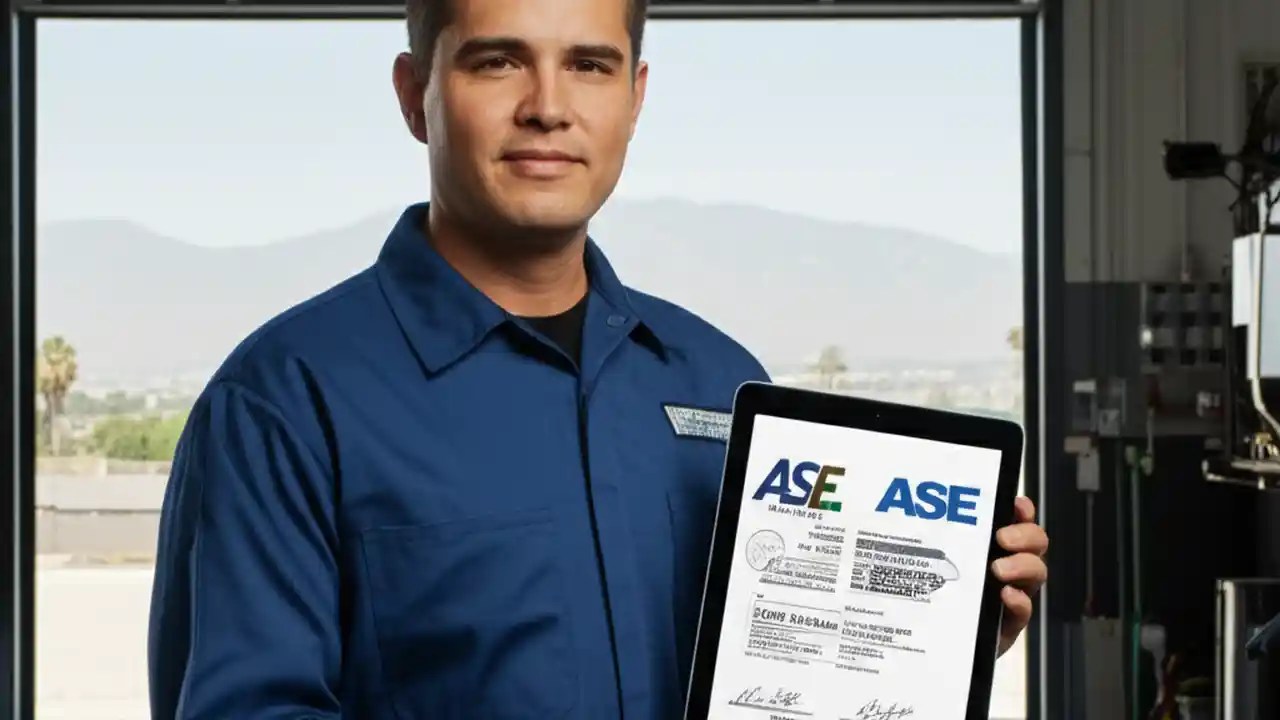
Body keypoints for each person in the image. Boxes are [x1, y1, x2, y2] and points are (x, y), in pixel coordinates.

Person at [146, 0, 1050, 716]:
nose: (548, 105)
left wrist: (928, 642)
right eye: (497, 60)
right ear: (413, 92)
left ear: (635, 96)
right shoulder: (284, 401)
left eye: (589, 64)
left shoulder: (720, 381)